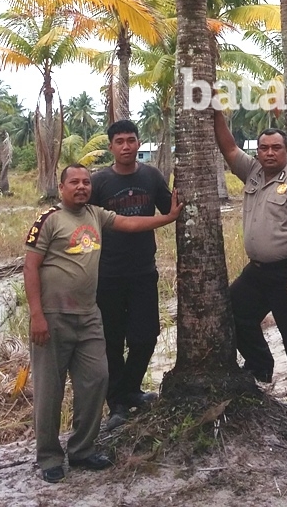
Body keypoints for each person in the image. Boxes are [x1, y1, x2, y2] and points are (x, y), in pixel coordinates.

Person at [23, 163, 182, 483]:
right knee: (49, 391)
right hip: (54, 317)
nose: (81, 187)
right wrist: (37, 315)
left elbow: (130, 223)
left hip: (89, 316)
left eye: (85, 182)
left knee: (96, 380)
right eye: (74, 182)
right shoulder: (49, 220)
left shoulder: (96, 215)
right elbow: (30, 268)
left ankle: (81, 450)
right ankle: (50, 456)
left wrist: (167, 217)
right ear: (62, 186)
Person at [213, 110, 287, 429]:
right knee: (232, 310)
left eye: (276, 148)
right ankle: (260, 366)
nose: (269, 153)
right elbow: (228, 148)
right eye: (264, 148)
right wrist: (217, 112)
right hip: (257, 271)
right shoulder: (252, 173)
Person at [89, 119, 174, 429]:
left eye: (131, 140)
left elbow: (170, 208)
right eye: (120, 141)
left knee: (146, 335)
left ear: (139, 143)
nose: (126, 146)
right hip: (107, 273)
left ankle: (131, 389)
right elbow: (84, 223)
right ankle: (118, 404)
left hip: (143, 271)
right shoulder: (99, 183)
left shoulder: (151, 176)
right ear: (111, 147)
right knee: (111, 340)